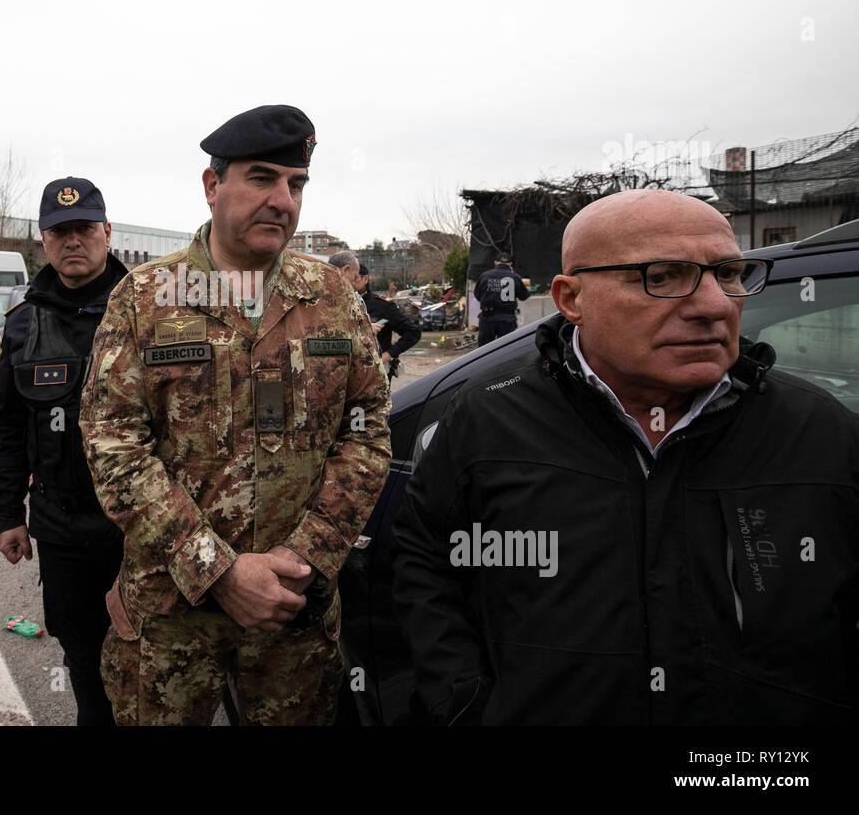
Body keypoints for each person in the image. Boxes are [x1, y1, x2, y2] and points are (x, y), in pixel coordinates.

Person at [392, 189, 859, 724]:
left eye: (729, 273)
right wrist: (465, 704)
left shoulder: (822, 431)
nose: (715, 305)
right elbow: (425, 560)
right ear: (572, 299)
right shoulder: (488, 417)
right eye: (663, 276)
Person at [79, 104, 392, 725]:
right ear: (211, 185)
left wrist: (307, 555)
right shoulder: (145, 298)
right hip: (173, 612)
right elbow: (114, 446)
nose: (282, 200)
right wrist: (217, 570)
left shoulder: (331, 296)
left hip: (294, 610)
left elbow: (369, 430)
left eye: (296, 184)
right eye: (261, 178)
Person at [0, 177, 128, 726]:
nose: (73, 241)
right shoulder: (23, 324)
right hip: (62, 527)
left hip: (141, 526)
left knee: (151, 652)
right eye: (59, 231)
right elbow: (6, 425)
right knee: (82, 653)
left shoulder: (149, 310)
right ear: (43, 240)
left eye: (84, 229)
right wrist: (9, 516)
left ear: (107, 232)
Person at [329, 251, 420, 381]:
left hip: (376, 374)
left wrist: (387, 355)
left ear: (365, 279)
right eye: (352, 277)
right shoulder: (336, 302)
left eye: (356, 278)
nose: (352, 283)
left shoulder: (383, 306)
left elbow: (413, 332)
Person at [474, 252, 529, 345]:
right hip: (507, 320)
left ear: (495, 262)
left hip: (488, 319)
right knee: (507, 349)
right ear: (510, 264)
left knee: (485, 350)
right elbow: (524, 296)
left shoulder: (485, 276)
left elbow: (477, 295)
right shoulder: (515, 277)